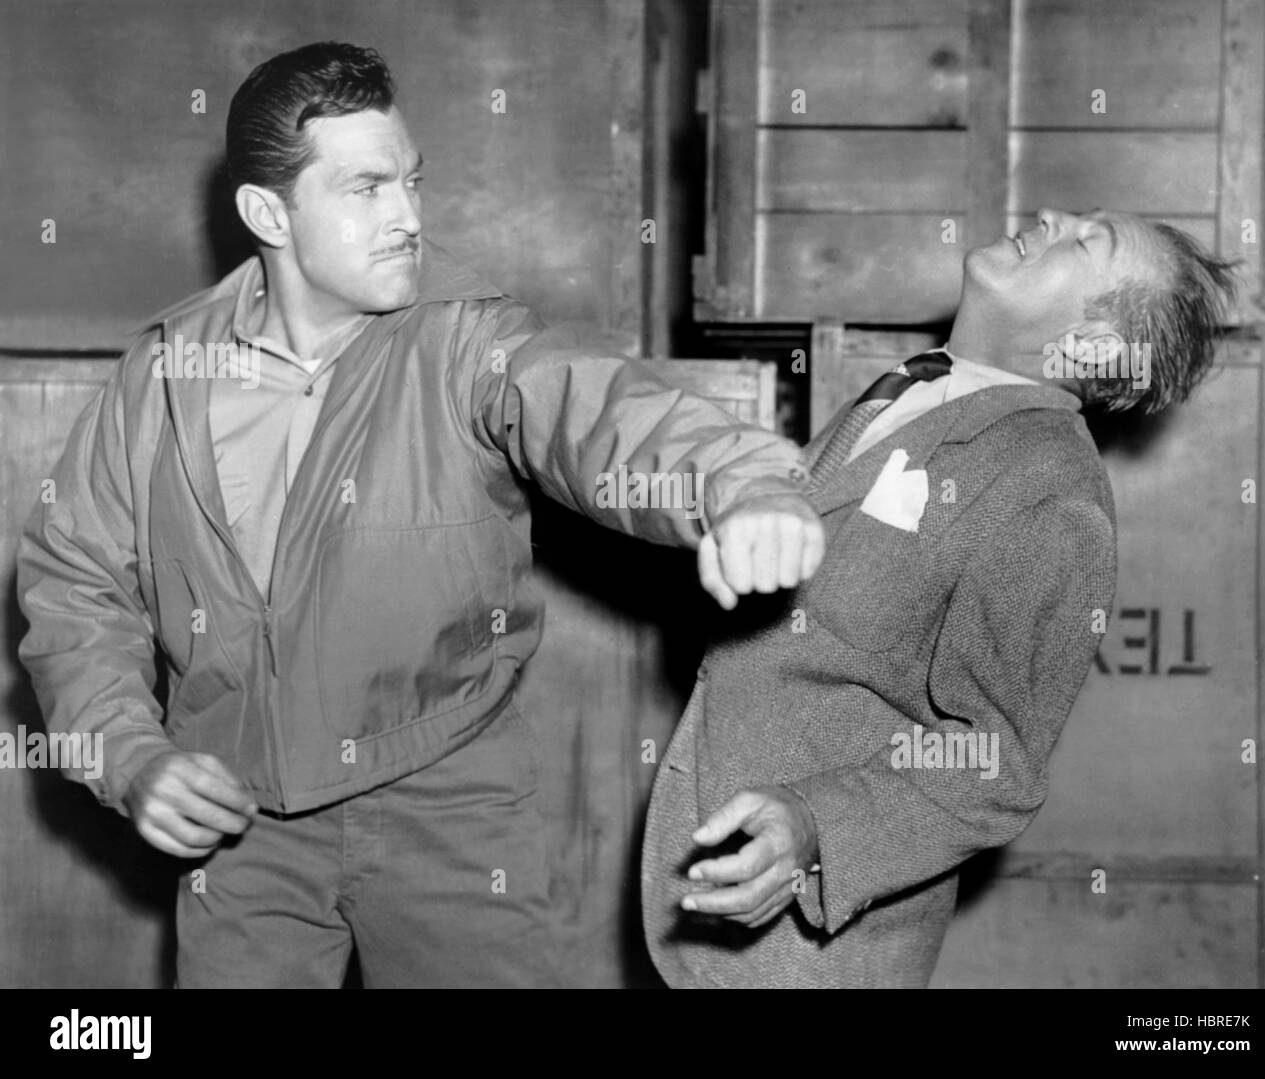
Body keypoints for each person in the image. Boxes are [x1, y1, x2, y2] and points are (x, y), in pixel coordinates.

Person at [15, 41, 825, 988]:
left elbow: (598, 415)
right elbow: (77, 583)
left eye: (411, 181)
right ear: (267, 213)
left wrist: (741, 484)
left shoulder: (468, 341)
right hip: (241, 826)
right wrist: (130, 754)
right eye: (365, 189)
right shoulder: (164, 374)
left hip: (452, 809)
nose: (408, 217)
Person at [641, 208, 1239, 987]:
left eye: (1087, 242)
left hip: (804, 959)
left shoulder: (1051, 495)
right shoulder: (924, 388)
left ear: (1095, 347)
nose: (1055, 217)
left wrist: (817, 827)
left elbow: (997, 759)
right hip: (715, 910)